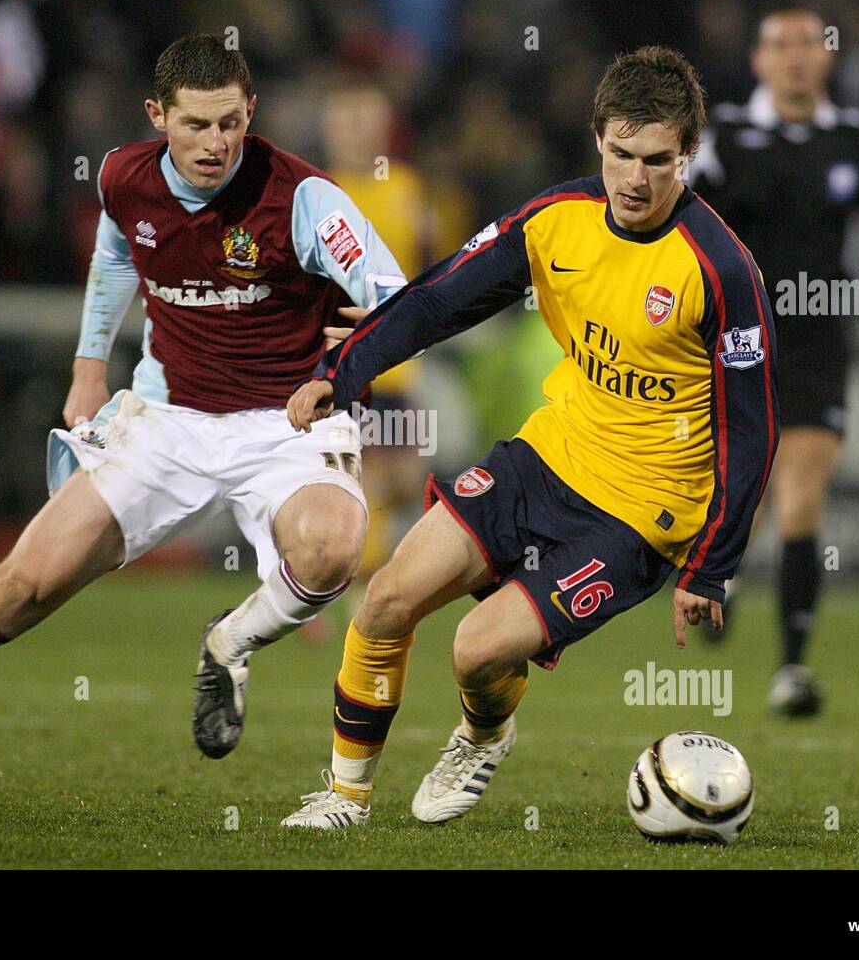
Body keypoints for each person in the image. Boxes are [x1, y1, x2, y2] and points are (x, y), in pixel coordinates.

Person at [0, 34, 406, 809]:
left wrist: (346, 365)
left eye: (231, 122)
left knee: (333, 549)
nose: (216, 143)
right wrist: (88, 368)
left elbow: (398, 292)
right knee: (19, 586)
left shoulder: (301, 196)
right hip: (168, 417)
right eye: (195, 125)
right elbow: (118, 250)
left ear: (251, 112)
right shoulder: (123, 178)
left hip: (285, 422)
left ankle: (228, 640)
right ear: (156, 115)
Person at [280, 46, 778, 829]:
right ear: (598, 140)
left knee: (476, 650)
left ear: (688, 154)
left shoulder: (720, 270)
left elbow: (752, 431)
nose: (635, 179)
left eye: (656, 160)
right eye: (620, 154)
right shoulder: (556, 221)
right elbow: (440, 298)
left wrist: (711, 567)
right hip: (549, 455)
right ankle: (343, 801)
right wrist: (342, 367)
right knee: (385, 600)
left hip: (642, 512)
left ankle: (483, 731)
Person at [688, 0, 859, 716]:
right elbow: (673, 217)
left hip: (820, 335)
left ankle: (791, 668)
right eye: (779, 44)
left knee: (803, 493)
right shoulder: (723, 135)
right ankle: (725, 571)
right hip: (737, 337)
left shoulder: (853, 138)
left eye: (807, 43)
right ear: (757, 60)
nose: (794, 55)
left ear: (827, 56)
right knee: (744, 491)